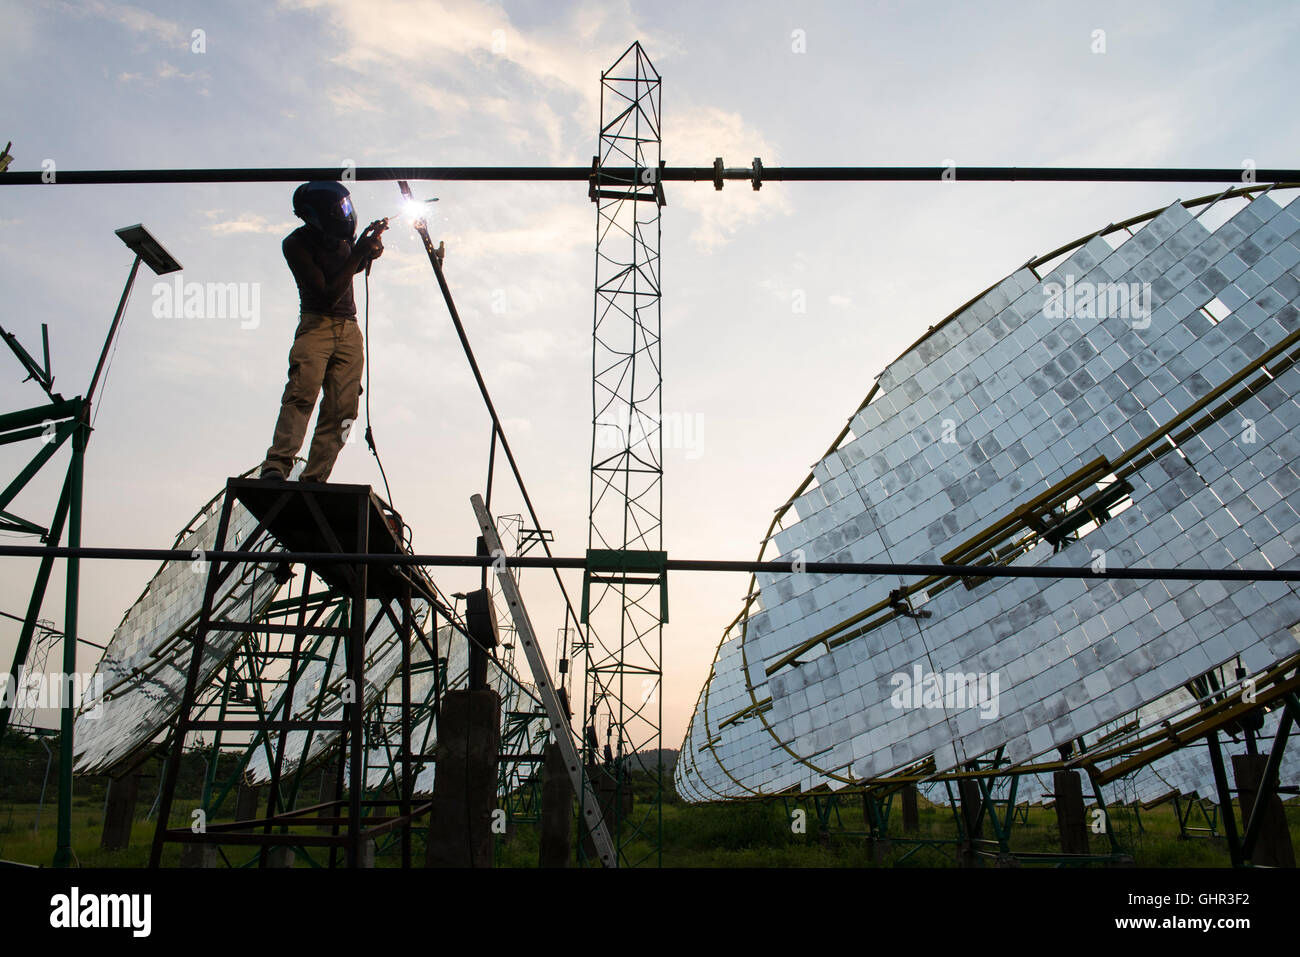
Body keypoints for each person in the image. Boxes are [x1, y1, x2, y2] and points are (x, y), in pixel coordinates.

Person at [259, 181, 385, 483]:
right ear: (319, 216)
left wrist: (369, 251)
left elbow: (347, 269)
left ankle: (314, 478)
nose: (346, 213)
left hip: (349, 330)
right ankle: (277, 465)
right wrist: (358, 254)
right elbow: (327, 293)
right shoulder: (296, 244)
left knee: (343, 409)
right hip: (316, 324)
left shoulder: (344, 241)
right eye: (339, 209)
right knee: (302, 392)